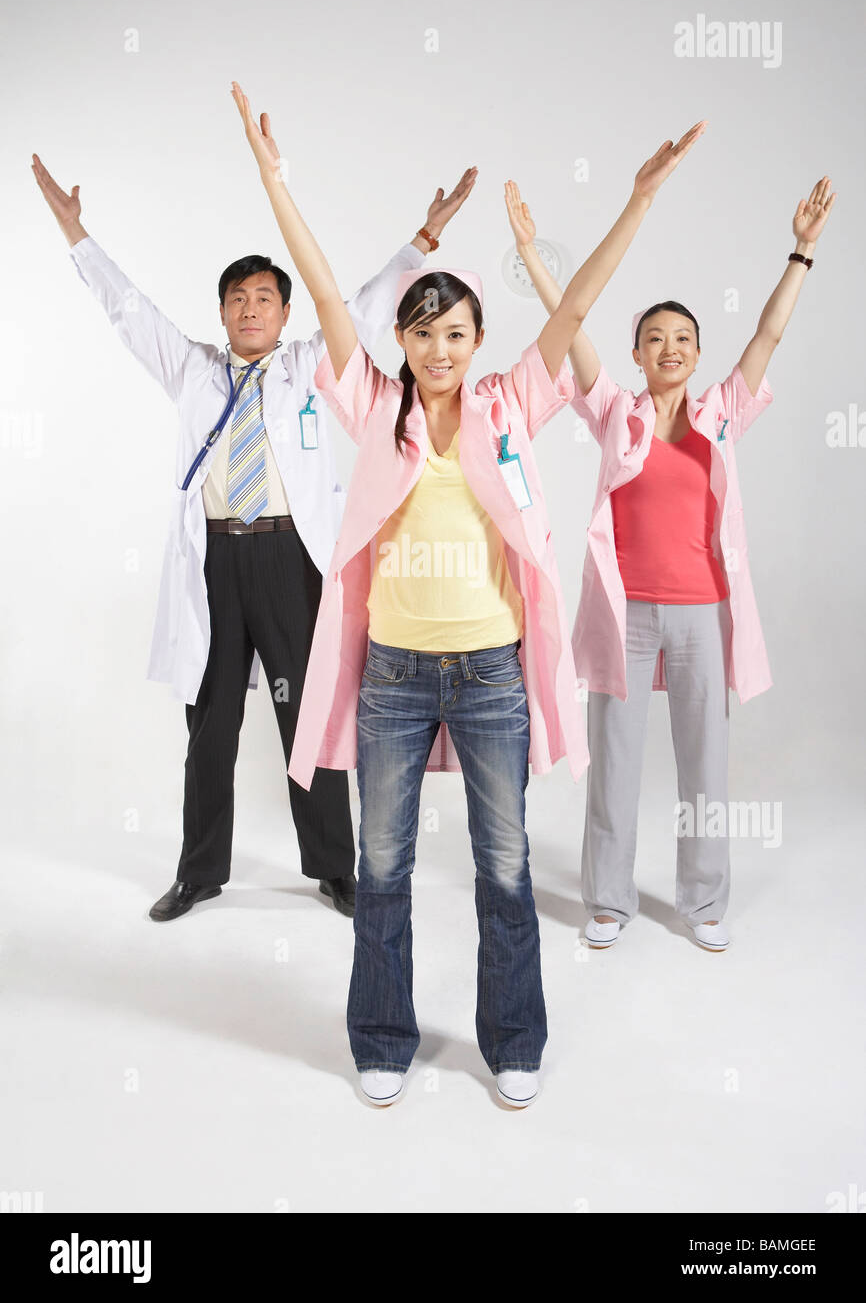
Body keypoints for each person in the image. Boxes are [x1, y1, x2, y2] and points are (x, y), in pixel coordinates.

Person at [231, 82, 704, 1107]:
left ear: (476, 343)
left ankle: (513, 1037)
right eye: (421, 332)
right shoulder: (371, 405)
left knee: (501, 867)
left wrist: (637, 201)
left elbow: (573, 308)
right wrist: (275, 182)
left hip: (490, 673)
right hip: (394, 679)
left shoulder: (503, 406)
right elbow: (319, 297)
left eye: (454, 334)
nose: (438, 350)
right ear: (400, 340)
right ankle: (381, 1035)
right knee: (385, 866)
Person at [31, 149, 476, 921]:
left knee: (310, 711)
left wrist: (424, 241)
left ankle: (336, 867)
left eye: (263, 298)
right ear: (222, 314)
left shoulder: (308, 364)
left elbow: (366, 305)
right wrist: (77, 234)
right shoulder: (193, 369)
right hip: (213, 561)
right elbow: (128, 310)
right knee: (209, 722)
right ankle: (200, 872)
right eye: (236, 299)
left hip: (289, 559)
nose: (249, 309)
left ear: (284, 312)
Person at [524, 165, 836, 952]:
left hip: (701, 614)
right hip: (625, 613)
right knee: (615, 763)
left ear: (698, 353)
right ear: (635, 351)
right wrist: (533, 256)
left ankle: (701, 902)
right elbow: (570, 320)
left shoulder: (721, 411)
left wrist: (799, 253)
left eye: (684, 339)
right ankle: (608, 901)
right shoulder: (612, 414)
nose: (669, 348)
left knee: (706, 765)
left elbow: (767, 334)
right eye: (655, 338)